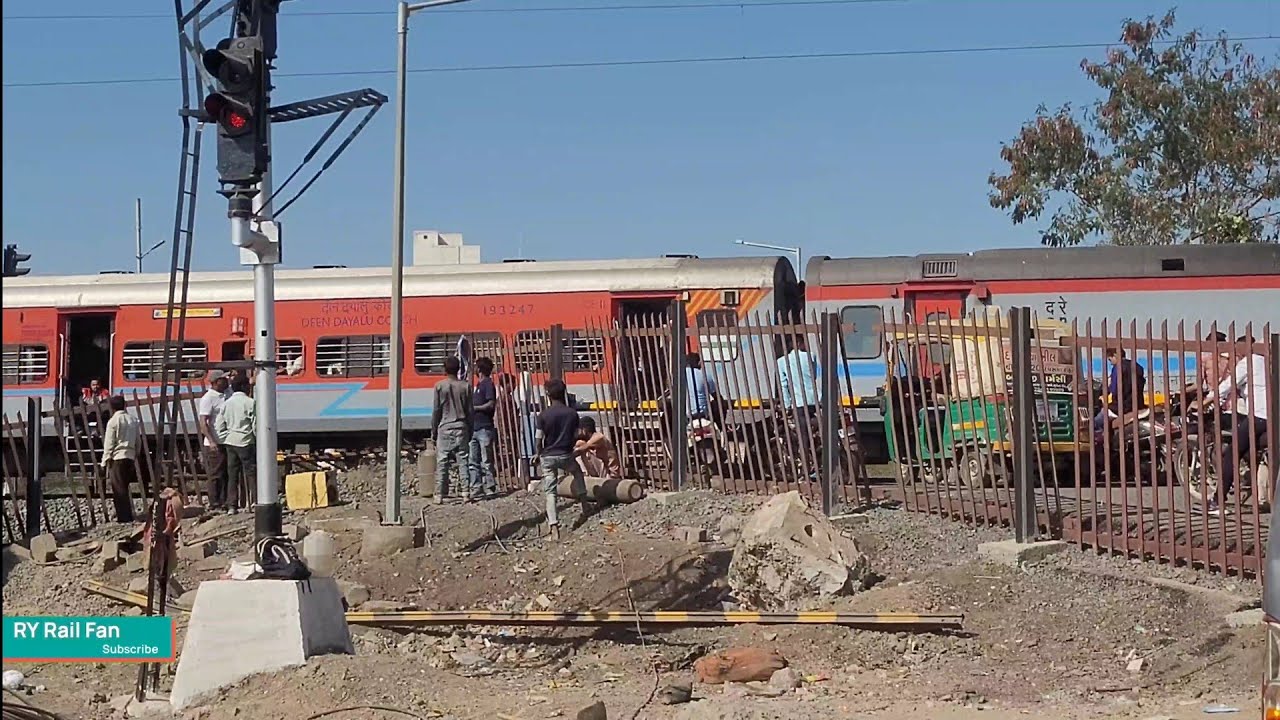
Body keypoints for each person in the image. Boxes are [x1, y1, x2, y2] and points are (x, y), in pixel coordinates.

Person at [1203, 335, 1270, 514]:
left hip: (1258, 416)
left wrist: (1206, 401)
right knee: (1252, 451)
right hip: (1271, 417)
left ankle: (1218, 501)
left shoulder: (1249, 362)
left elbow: (1227, 385)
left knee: (1232, 454)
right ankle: (1258, 493)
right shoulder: (1267, 362)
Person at [537, 378, 584, 540]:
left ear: (548, 394)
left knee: (550, 492)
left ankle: (554, 527)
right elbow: (576, 435)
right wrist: (569, 448)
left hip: (548, 457)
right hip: (566, 454)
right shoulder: (572, 414)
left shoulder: (543, 415)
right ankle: (585, 504)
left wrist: (538, 454)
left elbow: (539, 439)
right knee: (577, 473)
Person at [432, 355, 473, 503]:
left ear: (444, 369)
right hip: (461, 426)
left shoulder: (439, 386)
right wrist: (471, 429)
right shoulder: (466, 386)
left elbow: (436, 410)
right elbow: (470, 411)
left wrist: (434, 430)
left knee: (442, 461)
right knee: (463, 460)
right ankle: (466, 493)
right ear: (458, 369)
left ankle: (439, 495)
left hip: (445, 426)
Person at [216, 376, 256, 513]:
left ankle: (232, 506)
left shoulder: (226, 404)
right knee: (251, 473)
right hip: (246, 441)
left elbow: (219, 425)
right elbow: (255, 424)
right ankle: (254, 501)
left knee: (232, 474)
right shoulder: (250, 403)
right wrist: (256, 438)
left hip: (230, 442)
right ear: (246, 387)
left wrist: (224, 438)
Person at [100, 395, 138, 523]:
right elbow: (138, 441)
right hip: (130, 456)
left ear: (112, 407)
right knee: (125, 486)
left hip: (117, 457)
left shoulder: (113, 421)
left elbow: (109, 443)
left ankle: (123, 517)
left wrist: (105, 460)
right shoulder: (133, 420)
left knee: (118, 489)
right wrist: (135, 453)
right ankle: (128, 515)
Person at [1092, 346, 1146, 434]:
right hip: (1137, 405)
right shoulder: (1137, 367)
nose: (1111, 363)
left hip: (1121, 407)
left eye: (1110, 360)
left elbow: (1114, 389)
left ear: (1115, 355)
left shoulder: (1118, 368)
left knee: (1095, 423)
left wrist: (1104, 396)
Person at [198, 371, 231, 511]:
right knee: (215, 474)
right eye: (223, 379)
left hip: (227, 440)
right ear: (216, 382)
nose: (227, 380)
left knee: (226, 473)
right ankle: (215, 503)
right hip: (215, 442)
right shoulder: (208, 398)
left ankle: (224, 501)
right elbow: (203, 423)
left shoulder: (228, 393)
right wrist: (211, 441)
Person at [777, 334, 820, 436]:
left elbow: (784, 385)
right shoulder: (811, 356)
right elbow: (814, 376)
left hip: (798, 402)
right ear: (800, 343)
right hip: (813, 399)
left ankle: (805, 450)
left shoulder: (781, 361)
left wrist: (787, 405)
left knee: (802, 433)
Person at [468, 357, 499, 500]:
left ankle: (490, 487)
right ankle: (476, 487)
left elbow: (491, 404)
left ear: (479, 370)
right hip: (474, 428)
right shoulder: (478, 386)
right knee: (473, 460)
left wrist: (475, 408)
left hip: (484, 427)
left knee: (486, 460)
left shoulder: (487, 384)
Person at [685, 352, 719, 421]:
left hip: (682, 415)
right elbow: (716, 396)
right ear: (699, 363)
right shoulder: (704, 375)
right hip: (700, 415)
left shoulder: (679, 376)